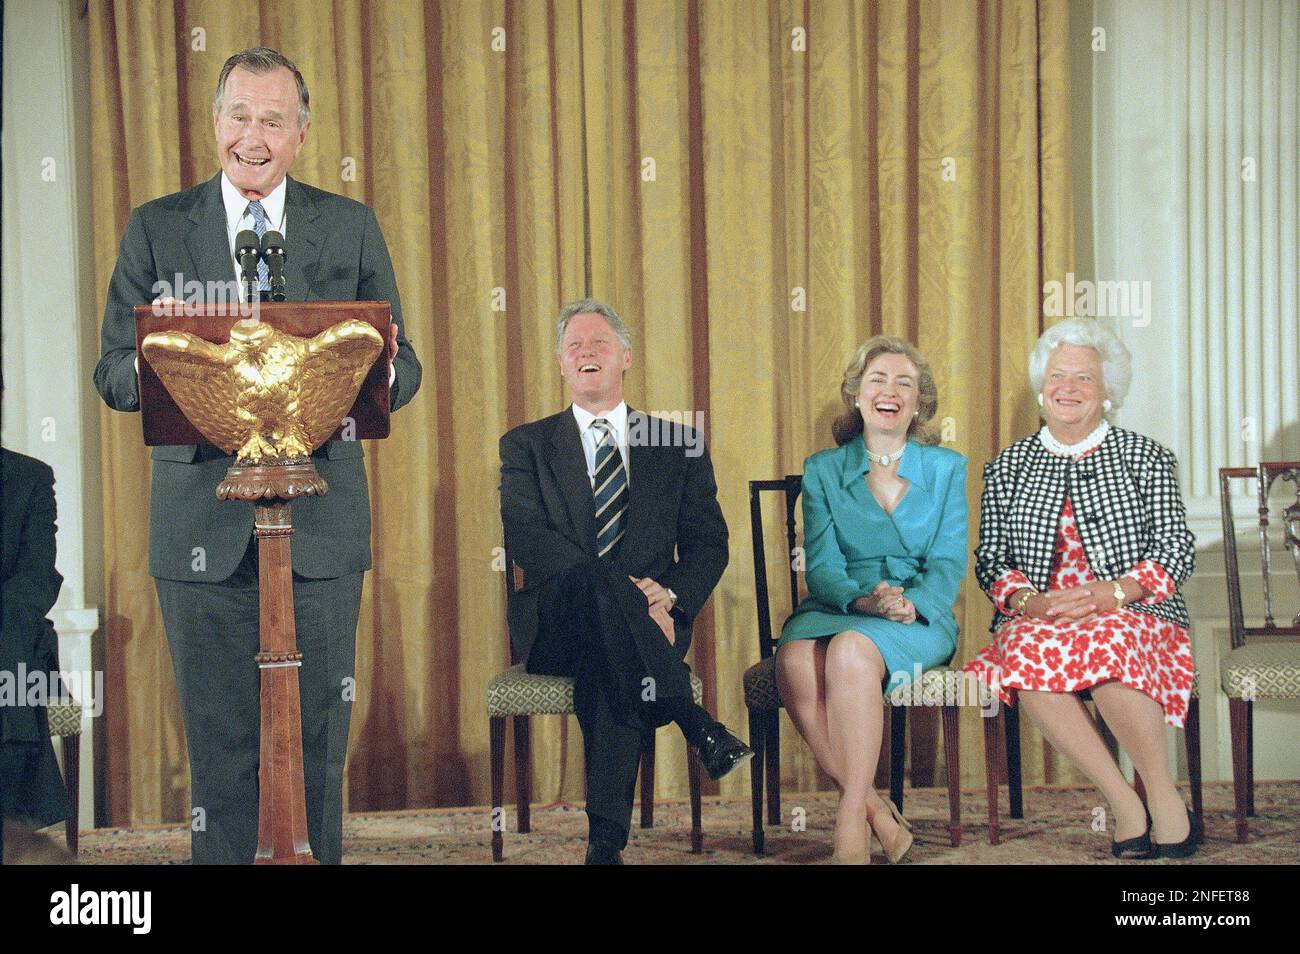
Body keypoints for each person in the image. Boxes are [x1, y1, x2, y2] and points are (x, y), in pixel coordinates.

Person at [93, 47, 422, 864]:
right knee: (221, 741)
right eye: (239, 114)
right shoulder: (156, 227)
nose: (254, 134)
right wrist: (159, 345)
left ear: (301, 134)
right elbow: (110, 376)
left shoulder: (346, 226)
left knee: (315, 739)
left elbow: (403, 367)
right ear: (214, 125)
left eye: (273, 119)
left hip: (319, 525)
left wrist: (368, 364)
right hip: (199, 528)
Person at [499, 298, 752, 865]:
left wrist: (675, 594)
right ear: (561, 365)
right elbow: (528, 542)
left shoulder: (677, 443)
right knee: (602, 602)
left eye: (599, 344)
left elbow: (710, 543)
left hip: (655, 624)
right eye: (574, 347)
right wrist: (633, 598)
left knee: (611, 663)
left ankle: (604, 848)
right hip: (556, 623)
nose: (586, 353)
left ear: (626, 357)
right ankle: (695, 722)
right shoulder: (526, 446)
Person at [965, 318, 1197, 860]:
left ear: (1108, 391)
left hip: (1134, 610)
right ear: (1042, 385)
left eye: (1084, 378)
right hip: (1045, 618)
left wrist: (1110, 594)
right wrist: (1030, 602)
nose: (1067, 387)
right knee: (1021, 650)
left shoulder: (1146, 456)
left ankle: (1162, 794)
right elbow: (991, 559)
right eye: (1057, 375)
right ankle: (1123, 802)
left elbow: (1175, 549)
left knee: (1111, 640)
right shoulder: (1008, 466)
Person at [776, 336, 967, 864]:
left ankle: (850, 827)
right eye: (877, 380)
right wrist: (863, 601)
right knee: (794, 657)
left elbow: (950, 560)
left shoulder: (947, 469)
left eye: (904, 383)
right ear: (857, 396)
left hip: (917, 615)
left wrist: (911, 604)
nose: (890, 391)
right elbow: (822, 567)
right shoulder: (823, 470)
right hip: (841, 606)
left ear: (919, 402)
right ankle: (879, 813)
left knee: (850, 652)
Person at [1, 429, 72, 841]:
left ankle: (11, 824)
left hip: (12, 635)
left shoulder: (29, 478)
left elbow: (35, 579)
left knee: (12, 651)